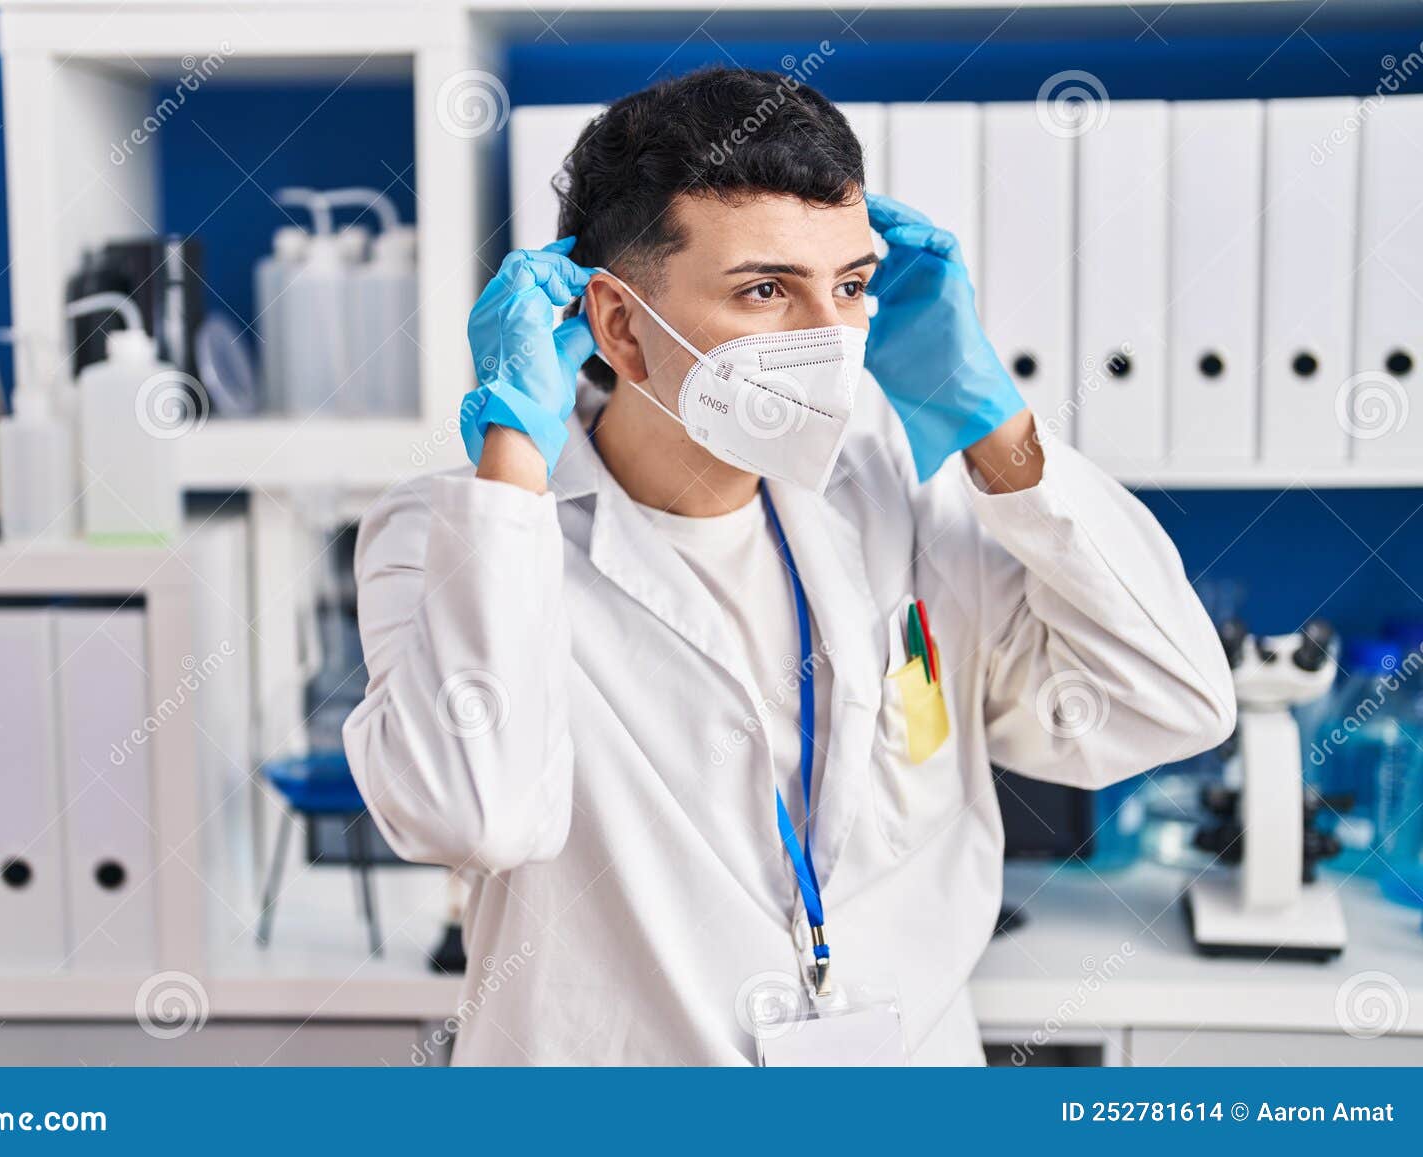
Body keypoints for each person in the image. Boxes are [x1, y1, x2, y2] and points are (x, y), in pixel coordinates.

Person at [343, 67, 1234, 1065]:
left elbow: (1175, 697)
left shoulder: (906, 491)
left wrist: (997, 426)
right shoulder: (454, 533)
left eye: (850, 286)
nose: (827, 339)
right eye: (766, 290)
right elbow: (475, 810)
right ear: (622, 325)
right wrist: (509, 455)